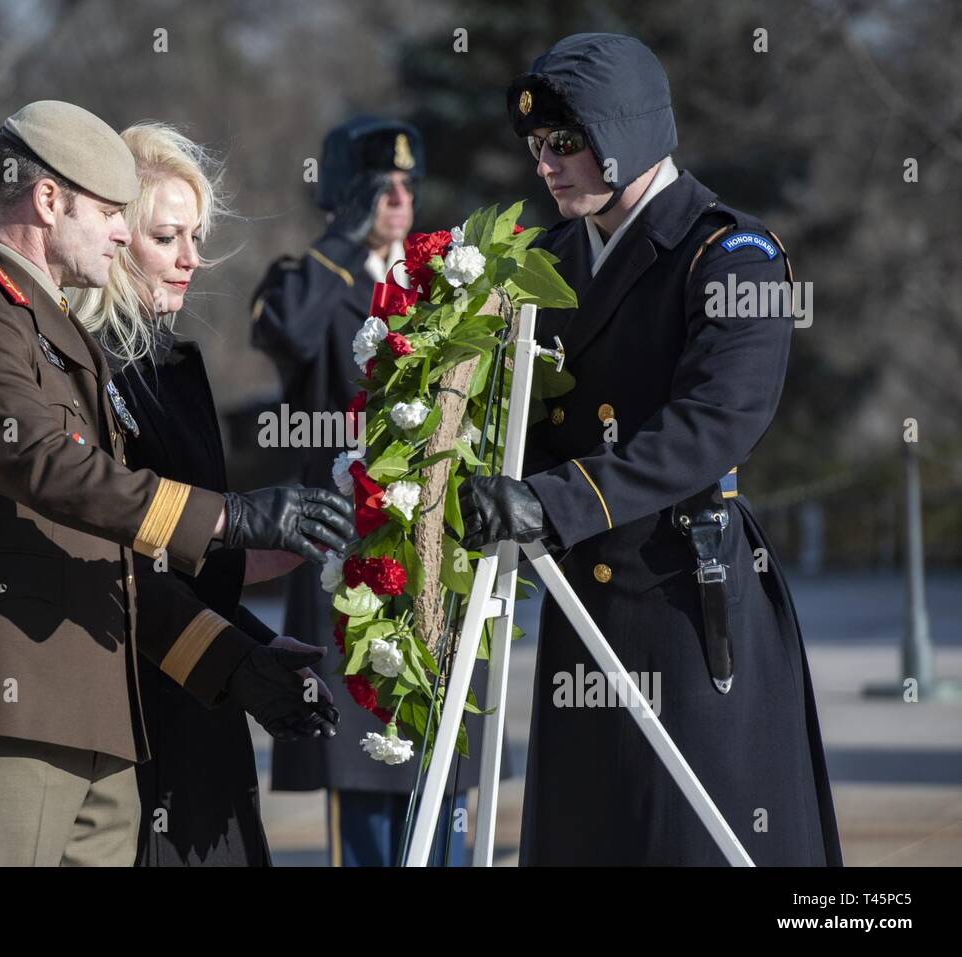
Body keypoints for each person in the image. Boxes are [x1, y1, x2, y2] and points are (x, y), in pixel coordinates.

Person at [0, 101, 353, 867]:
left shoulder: (58, 337)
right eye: (108, 212)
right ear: (49, 200)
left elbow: (112, 554)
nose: (123, 232)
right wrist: (235, 518)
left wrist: (235, 659)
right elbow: (48, 470)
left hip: (99, 724)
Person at [458, 33, 842, 865]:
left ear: (623, 132)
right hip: (581, 603)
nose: (545, 165)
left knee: (691, 841)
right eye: (537, 146)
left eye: (565, 141)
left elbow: (715, 421)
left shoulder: (730, 252)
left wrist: (554, 501)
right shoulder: (551, 260)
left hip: (681, 602)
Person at [67, 122, 328, 865]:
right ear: (117, 239)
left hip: (204, 684)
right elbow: (117, 559)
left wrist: (260, 618)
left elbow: (190, 550)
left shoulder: (174, 362)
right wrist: (234, 651)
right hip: (136, 701)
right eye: (168, 236)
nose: (193, 257)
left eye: (197, 234)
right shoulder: (93, 370)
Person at [252, 116, 500, 866]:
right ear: (346, 194)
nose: (399, 200)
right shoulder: (310, 279)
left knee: (441, 748)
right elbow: (287, 336)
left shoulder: (443, 282)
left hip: (432, 543)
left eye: (407, 186)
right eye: (380, 187)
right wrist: (343, 240)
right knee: (361, 762)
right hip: (347, 547)